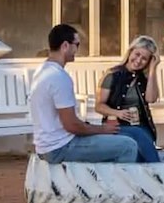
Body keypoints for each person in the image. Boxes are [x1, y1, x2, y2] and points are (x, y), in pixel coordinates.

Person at [31, 24, 138, 164]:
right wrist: (103, 129)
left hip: (46, 146)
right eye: (77, 44)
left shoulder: (41, 71)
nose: (77, 50)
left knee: (110, 144)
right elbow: (71, 126)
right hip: (60, 148)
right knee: (128, 146)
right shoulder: (59, 77)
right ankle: (114, 186)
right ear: (65, 46)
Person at [95, 35, 162, 163]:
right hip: (118, 127)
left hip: (141, 127)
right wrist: (118, 113)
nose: (138, 60)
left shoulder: (144, 78)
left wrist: (153, 69)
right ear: (130, 51)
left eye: (144, 59)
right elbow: (99, 106)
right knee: (136, 142)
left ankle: (154, 172)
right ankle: (158, 170)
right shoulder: (112, 75)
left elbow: (151, 98)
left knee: (140, 141)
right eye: (137, 54)